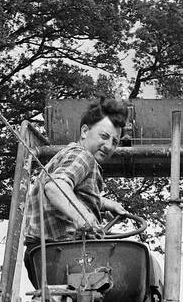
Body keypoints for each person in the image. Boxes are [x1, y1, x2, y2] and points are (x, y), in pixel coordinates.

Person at [24, 97, 132, 246]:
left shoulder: (68, 154)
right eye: (104, 136)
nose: (108, 146)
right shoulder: (82, 155)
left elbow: (76, 192)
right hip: (62, 251)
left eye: (114, 142)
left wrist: (107, 204)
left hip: (43, 250)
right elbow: (55, 186)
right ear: (85, 131)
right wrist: (83, 217)